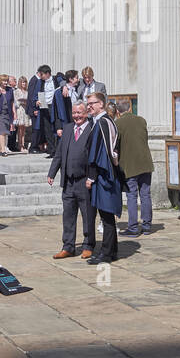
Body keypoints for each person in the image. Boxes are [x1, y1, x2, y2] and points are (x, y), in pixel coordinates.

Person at [48, 101, 95, 259]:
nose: (76, 116)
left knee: (87, 214)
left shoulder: (92, 129)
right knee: (68, 215)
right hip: (68, 182)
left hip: (84, 181)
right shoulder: (68, 129)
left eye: (79, 113)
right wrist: (52, 173)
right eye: (74, 113)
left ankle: (88, 245)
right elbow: (59, 153)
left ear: (86, 113)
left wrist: (92, 177)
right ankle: (68, 246)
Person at [84, 85, 122, 264]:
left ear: (101, 104)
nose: (88, 106)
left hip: (104, 177)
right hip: (107, 175)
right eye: (88, 103)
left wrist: (91, 177)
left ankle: (105, 254)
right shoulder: (106, 121)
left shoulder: (102, 123)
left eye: (92, 103)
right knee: (108, 218)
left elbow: (98, 153)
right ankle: (112, 251)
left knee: (106, 217)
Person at [115, 99, 154, 236]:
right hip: (145, 162)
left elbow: (116, 144)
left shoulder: (117, 123)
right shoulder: (141, 120)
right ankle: (147, 225)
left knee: (131, 196)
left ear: (118, 112)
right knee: (145, 194)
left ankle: (132, 228)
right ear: (130, 108)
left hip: (129, 164)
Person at [14, 76, 30, 152]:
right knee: (20, 129)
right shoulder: (17, 91)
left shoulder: (27, 91)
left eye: (25, 82)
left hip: (25, 110)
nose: (24, 83)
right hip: (19, 110)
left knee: (24, 129)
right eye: (22, 82)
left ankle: (23, 144)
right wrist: (21, 102)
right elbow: (15, 103)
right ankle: (20, 145)